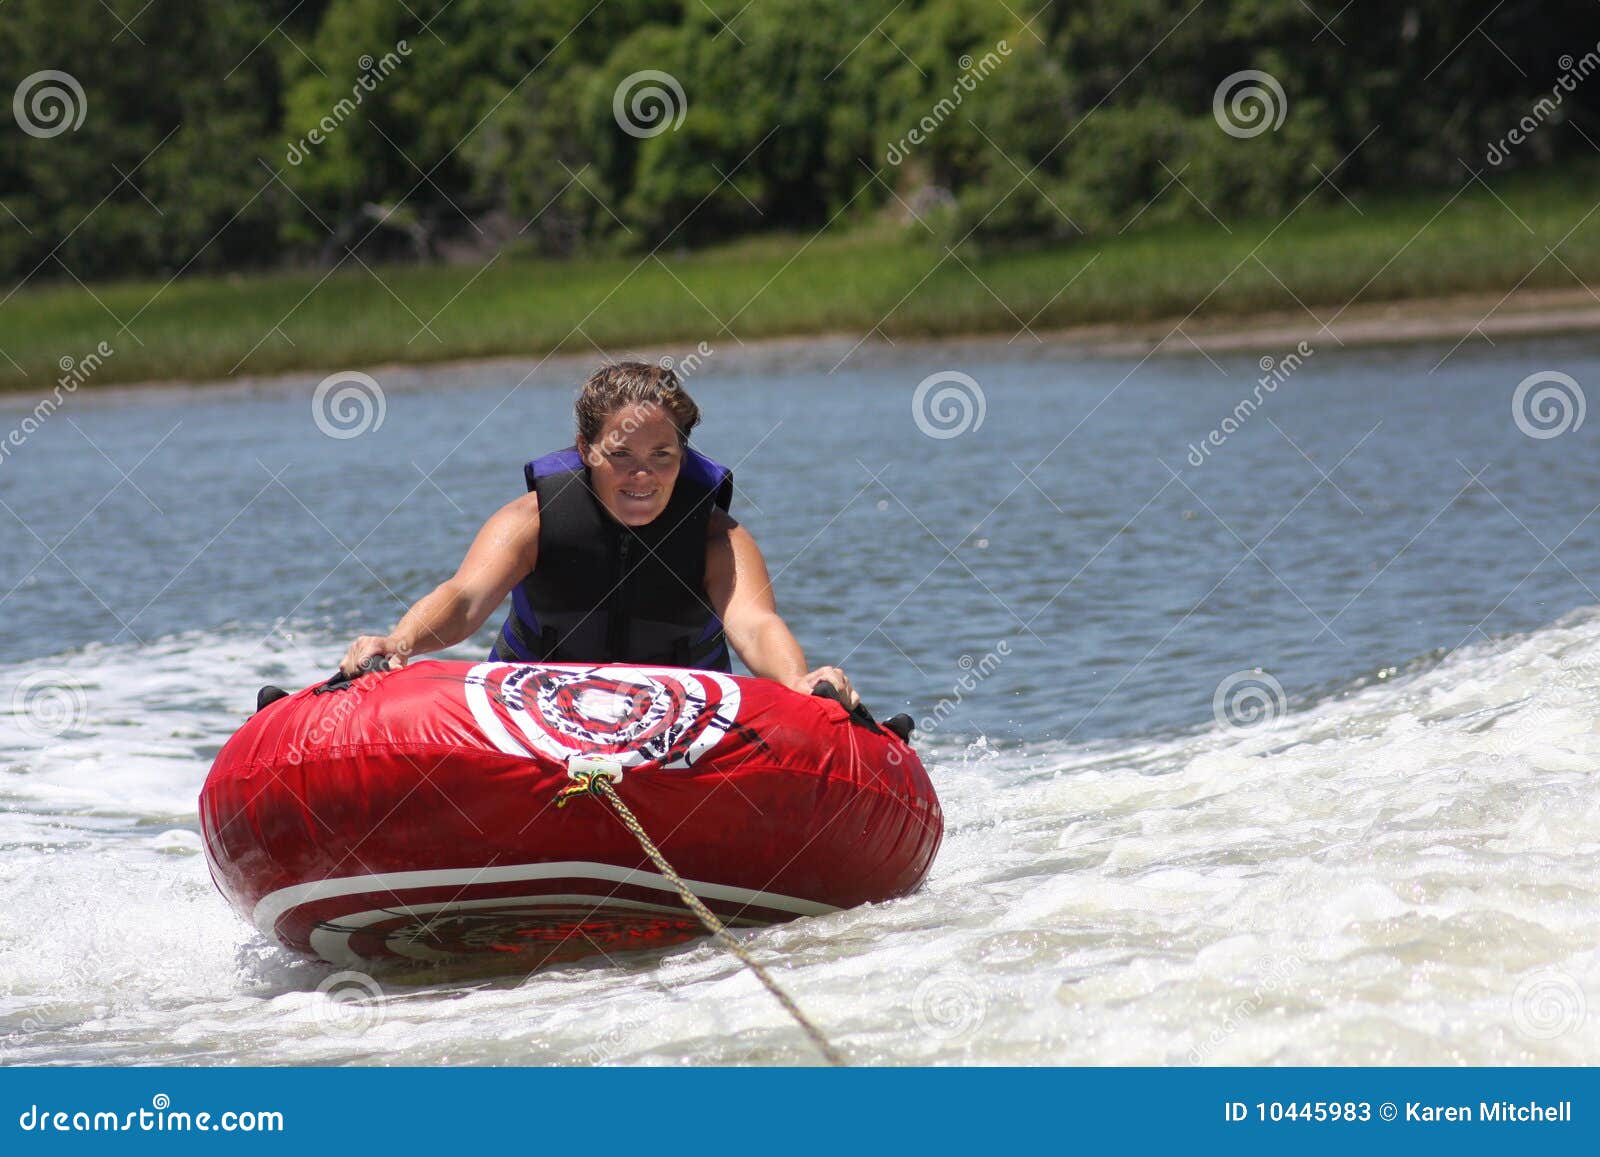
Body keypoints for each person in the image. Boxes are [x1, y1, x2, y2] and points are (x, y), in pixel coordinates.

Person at [339, 361, 858, 706]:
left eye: (662, 457)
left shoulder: (716, 538)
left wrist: (796, 681)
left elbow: (754, 623)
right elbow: (465, 598)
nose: (643, 477)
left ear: (683, 456)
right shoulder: (532, 522)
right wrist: (400, 640)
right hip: (532, 710)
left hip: (680, 722)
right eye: (620, 456)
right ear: (586, 448)